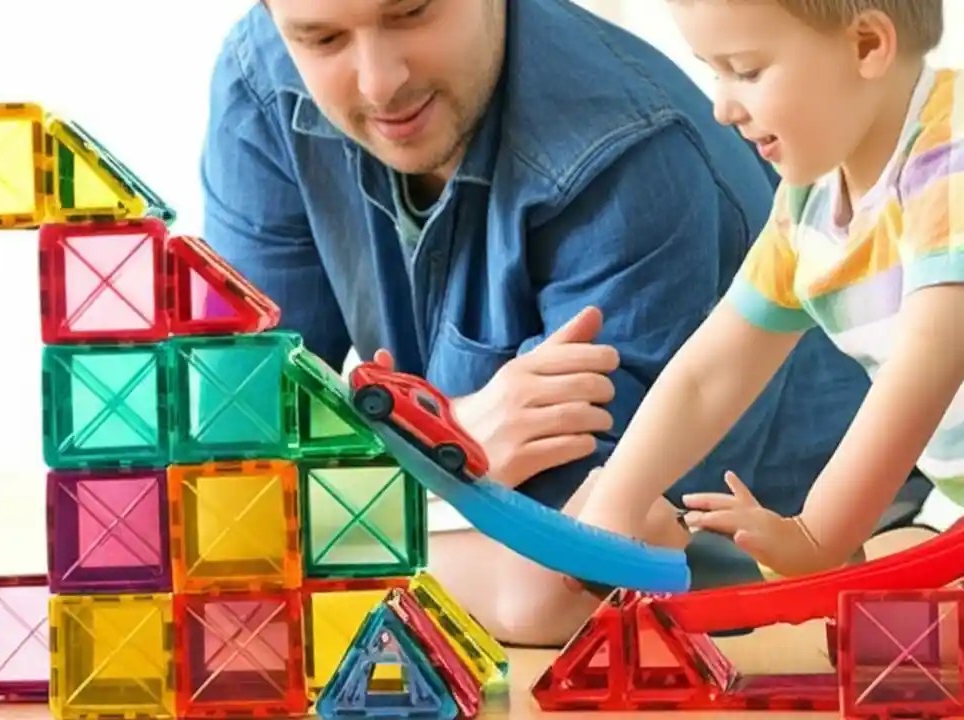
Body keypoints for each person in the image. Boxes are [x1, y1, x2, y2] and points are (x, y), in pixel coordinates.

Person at [198, 0, 884, 646]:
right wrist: (445, 440)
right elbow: (228, 459)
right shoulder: (265, 75)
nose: (380, 84)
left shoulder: (634, 160)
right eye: (321, 38)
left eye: (412, 10)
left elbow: (554, 584)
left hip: (798, 590)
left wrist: (296, 518)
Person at [577, 0, 957, 579]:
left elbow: (929, 361)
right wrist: (613, 506)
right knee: (874, 616)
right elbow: (710, 375)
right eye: (714, 71)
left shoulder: (951, 151)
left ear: (866, 47)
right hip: (950, 506)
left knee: (894, 624)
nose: (722, 108)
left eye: (747, 71)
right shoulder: (810, 202)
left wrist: (817, 534)